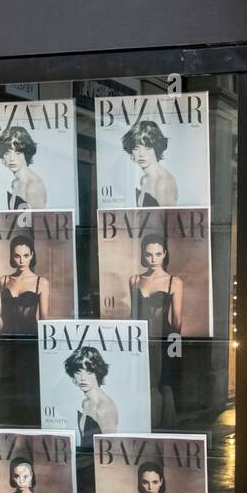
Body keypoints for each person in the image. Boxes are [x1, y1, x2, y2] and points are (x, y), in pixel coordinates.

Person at [128, 233, 183, 427]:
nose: (153, 259)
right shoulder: (134, 280)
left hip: (164, 339)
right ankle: (143, 426)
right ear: (143, 255)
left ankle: (164, 428)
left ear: (164, 254)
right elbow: (132, 315)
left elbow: (177, 321)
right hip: (139, 340)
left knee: (163, 386)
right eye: (149, 254)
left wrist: (175, 350)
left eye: (158, 254)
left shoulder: (174, 282)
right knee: (141, 385)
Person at [64, 345, 118, 448]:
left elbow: (112, 449)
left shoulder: (105, 407)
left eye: (89, 372)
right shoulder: (85, 403)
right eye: (78, 372)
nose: (83, 378)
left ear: (97, 373)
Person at [0, 232, 50, 335]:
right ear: (12, 256)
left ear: (31, 255)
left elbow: (44, 319)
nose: (22, 261)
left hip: (30, 339)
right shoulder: (4, 281)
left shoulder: (41, 283)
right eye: (17, 256)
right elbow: (1, 317)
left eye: (26, 255)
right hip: (7, 338)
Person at [120, 119, 178, 208]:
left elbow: (170, 219)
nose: (141, 154)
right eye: (136, 148)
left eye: (147, 147)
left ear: (156, 148)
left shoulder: (163, 183)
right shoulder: (144, 179)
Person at [0, 124, 47, 210]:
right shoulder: (15, 183)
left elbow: (39, 221)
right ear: (3, 157)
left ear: (26, 154)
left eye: (17, 153)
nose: (12, 158)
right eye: (7, 153)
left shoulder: (33, 186)